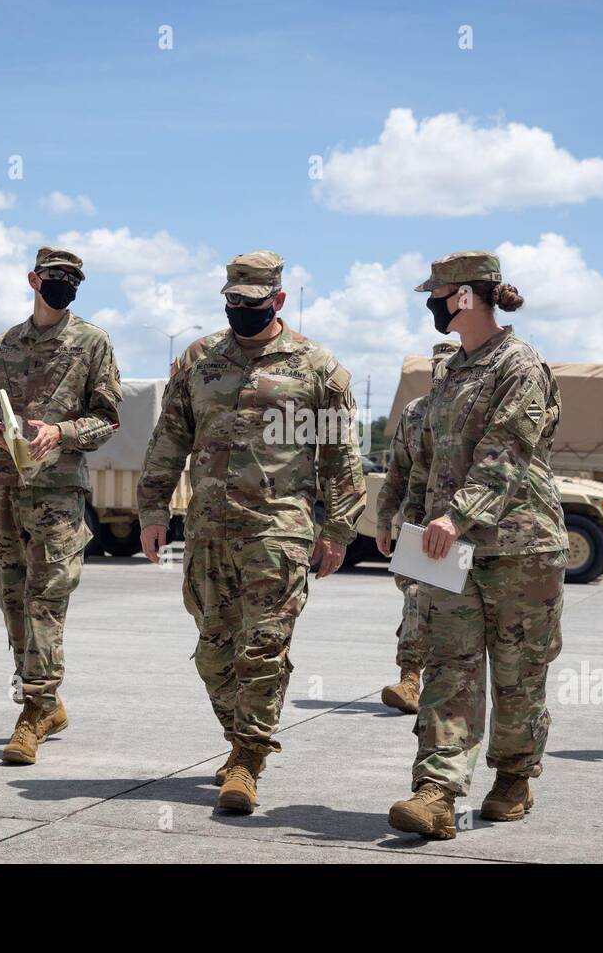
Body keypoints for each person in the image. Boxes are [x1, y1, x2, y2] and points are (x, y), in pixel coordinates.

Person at [136, 250, 366, 815]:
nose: (240, 310)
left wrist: (337, 529)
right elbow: (169, 439)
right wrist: (152, 509)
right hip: (209, 530)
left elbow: (339, 457)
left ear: (279, 301)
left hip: (278, 531)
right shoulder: (200, 358)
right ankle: (239, 736)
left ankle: (248, 756)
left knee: (262, 648)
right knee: (215, 653)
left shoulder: (316, 368)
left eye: (252, 303)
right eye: (232, 301)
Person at [388, 251, 568, 840]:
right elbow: (428, 461)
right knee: (449, 667)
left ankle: (514, 777)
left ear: (464, 296)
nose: (431, 306)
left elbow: (507, 449)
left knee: (518, 673)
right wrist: (411, 525)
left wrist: (458, 516)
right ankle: (436, 790)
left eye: (436, 295)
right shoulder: (451, 373)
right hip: (448, 549)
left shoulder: (520, 364)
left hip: (519, 546)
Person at [0, 246, 122, 765]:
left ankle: (35, 708)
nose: (65, 285)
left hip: (58, 494)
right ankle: (45, 699)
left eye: (74, 279)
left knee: (46, 600)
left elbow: (107, 419)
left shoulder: (92, 342)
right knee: (12, 598)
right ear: (33, 279)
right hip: (5, 490)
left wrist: (60, 432)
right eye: (56, 277)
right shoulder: (2, 345)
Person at [375, 341, 459, 714]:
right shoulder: (414, 414)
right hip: (418, 524)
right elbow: (397, 470)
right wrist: (383, 518)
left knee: (458, 610)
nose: (440, 375)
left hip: (464, 525)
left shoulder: (472, 412)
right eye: (436, 368)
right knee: (415, 599)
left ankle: (455, 684)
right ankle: (410, 679)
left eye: (448, 367)